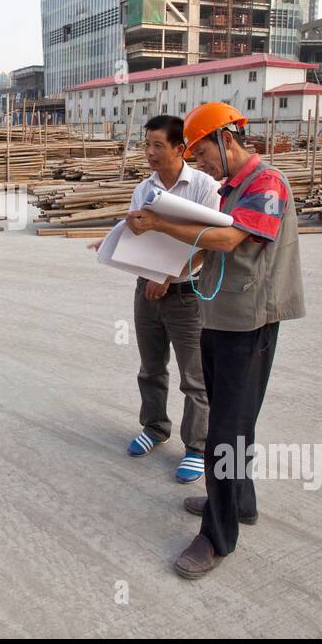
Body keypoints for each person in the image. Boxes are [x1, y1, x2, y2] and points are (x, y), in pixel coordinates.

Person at [127, 102, 305, 580]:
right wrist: (162, 265)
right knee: (236, 423)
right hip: (220, 317)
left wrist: (161, 224)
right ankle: (239, 501)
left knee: (226, 430)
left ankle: (216, 536)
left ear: (226, 140)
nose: (198, 162)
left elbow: (227, 242)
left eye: (201, 151)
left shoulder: (266, 185)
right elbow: (207, 250)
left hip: (250, 325)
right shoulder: (231, 188)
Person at [110, 114, 219, 483]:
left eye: (158, 145)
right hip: (147, 290)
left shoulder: (205, 187)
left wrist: (169, 277)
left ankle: (197, 447)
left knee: (195, 375)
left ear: (179, 148)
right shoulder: (145, 188)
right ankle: (155, 426)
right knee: (151, 366)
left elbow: (210, 243)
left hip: (187, 293)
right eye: (147, 145)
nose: (151, 152)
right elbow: (139, 234)